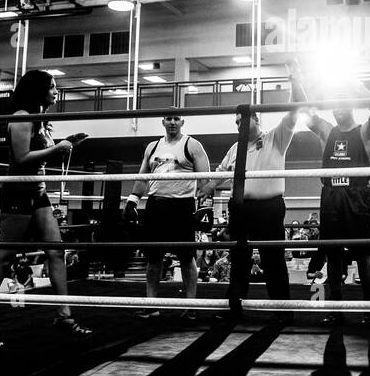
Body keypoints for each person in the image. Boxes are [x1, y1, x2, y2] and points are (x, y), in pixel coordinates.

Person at [0, 70, 92, 352]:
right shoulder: (23, 117)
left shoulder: (40, 119)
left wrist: (67, 142)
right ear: (38, 90)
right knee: (4, 257)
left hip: (38, 193)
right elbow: (23, 158)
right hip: (18, 192)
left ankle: (64, 314)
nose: (56, 92)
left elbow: (42, 153)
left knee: (56, 251)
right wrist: (58, 148)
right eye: (52, 87)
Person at [209, 63, 305, 322]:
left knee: (273, 258)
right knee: (238, 258)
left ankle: (282, 311)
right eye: (236, 121)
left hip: (269, 207)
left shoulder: (276, 137)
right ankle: (234, 308)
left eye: (244, 119)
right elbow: (217, 177)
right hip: (240, 209)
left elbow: (296, 107)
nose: (240, 124)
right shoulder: (234, 149)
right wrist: (198, 190)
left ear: (256, 119)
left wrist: (295, 78)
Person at [305, 77, 370, 326]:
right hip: (330, 196)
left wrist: (357, 88)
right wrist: (301, 80)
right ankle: (335, 310)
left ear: (351, 105)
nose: (338, 109)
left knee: (362, 254)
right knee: (333, 254)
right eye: (335, 105)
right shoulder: (328, 131)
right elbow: (306, 112)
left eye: (343, 104)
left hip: (356, 196)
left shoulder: (364, 132)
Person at [126, 114, 213, 319]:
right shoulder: (152, 147)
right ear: (163, 122)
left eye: (176, 119)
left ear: (182, 122)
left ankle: (191, 305)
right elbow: (142, 177)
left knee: (186, 257)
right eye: (168, 118)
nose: (172, 122)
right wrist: (132, 200)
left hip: (182, 206)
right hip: (156, 205)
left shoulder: (192, 145)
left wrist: (206, 207)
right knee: (153, 257)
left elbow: (206, 181)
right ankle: (152, 304)